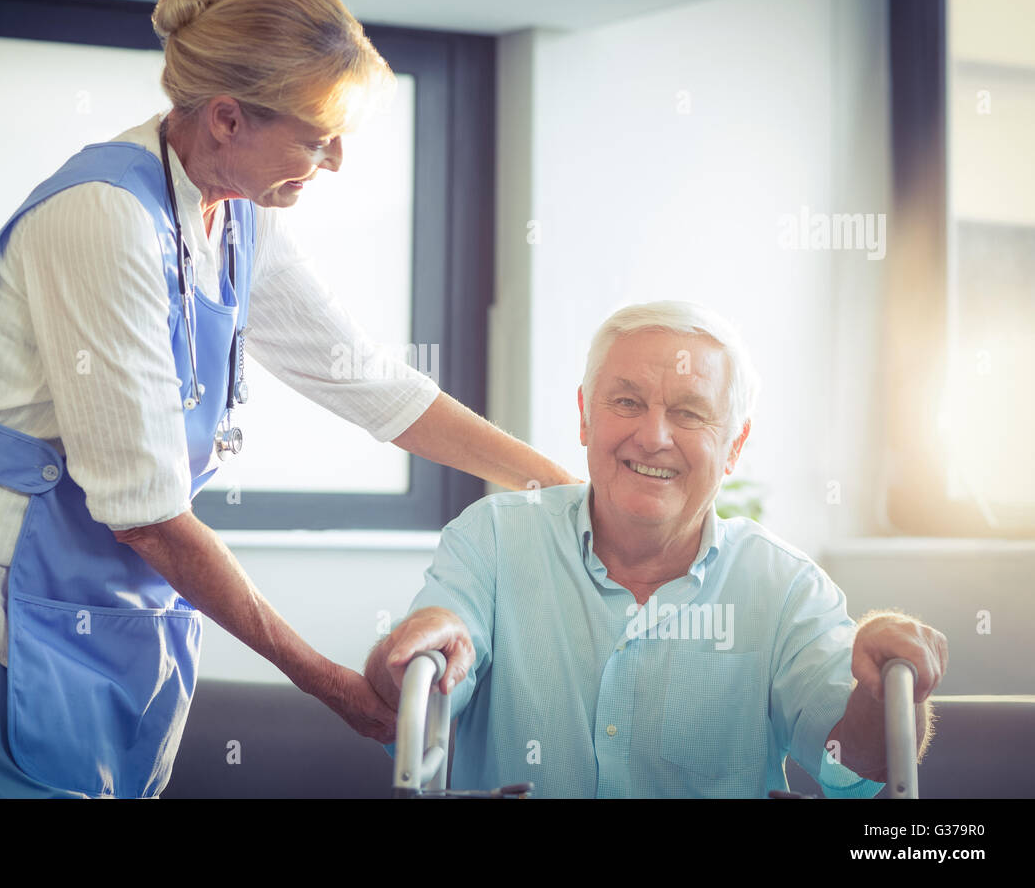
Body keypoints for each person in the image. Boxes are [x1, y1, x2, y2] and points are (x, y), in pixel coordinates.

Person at [0, 0, 580, 798]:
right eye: (318, 136)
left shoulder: (241, 212)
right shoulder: (103, 216)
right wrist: (327, 681)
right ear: (226, 119)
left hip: (89, 613)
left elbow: (375, 387)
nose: (334, 163)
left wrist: (569, 494)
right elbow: (146, 515)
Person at [366, 300, 949, 797]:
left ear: (735, 445)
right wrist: (408, 648)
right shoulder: (491, 540)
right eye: (626, 402)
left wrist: (885, 688)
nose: (653, 436)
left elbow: (854, 764)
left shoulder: (785, 586)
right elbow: (409, 711)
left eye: (689, 412)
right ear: (585, 416)